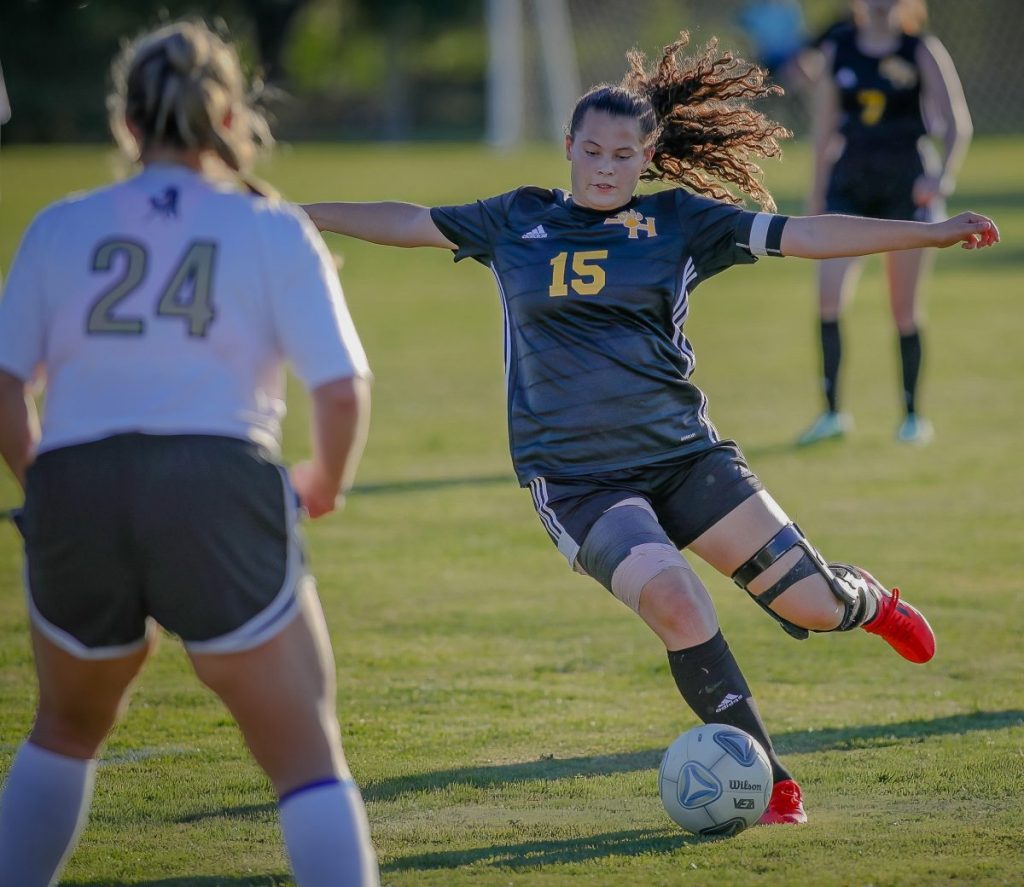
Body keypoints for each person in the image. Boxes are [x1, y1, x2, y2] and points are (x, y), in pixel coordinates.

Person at [301, 30, 997, 826]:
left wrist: (928, 231)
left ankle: (863, 600)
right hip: (578, 478)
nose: (604, 167)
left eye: (623, 155)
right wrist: (300, 215)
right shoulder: (514, 220)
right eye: (591, 150)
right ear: (568, 147)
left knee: (811, 605)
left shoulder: (680, 223)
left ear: (648, 157)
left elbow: (805, 234)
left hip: (683, 458)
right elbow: (408, 220)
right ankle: (766, 778)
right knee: (675, 598)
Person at [0, 21, 378, 887]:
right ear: (231, 115)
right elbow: (342, 390)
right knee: (309, 763)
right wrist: (323, 482)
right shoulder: (270, 227)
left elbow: (4, 385)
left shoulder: (61, 225)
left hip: (76, 488)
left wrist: (49, 485)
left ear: (126, 123)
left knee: (61, 733)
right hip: (215, 482)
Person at [797, 0, 973, 445]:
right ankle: (832, 413)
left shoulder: (921, 48)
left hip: (905, 188)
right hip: (850, 187)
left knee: (903, 308)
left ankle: (913, 417)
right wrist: (817, 195)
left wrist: (941, 176)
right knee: (829, 298)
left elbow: (957, 124)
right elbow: (823, 129)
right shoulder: (838, 47)